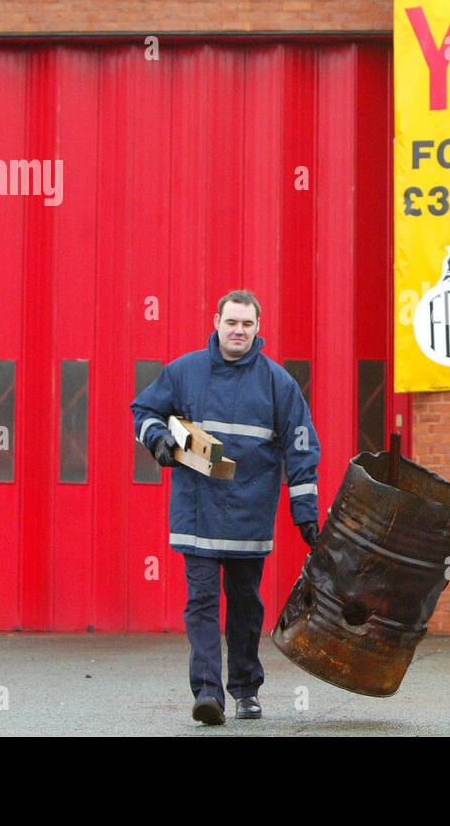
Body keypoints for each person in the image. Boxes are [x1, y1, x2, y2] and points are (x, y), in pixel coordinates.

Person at [131, 289, 321, 725]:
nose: (239, 331)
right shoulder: (184, 372)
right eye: (232, 322)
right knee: (200, 601)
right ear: (216, 321)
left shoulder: (278, 384)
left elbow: (301, 448)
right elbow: (144, 409)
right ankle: (207, 694)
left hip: (248, 516)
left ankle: (246, 690)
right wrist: (158, 438)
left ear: (258, 328)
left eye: (247, 324)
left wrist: (305, 515)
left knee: (245, 605)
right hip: (196, 512)